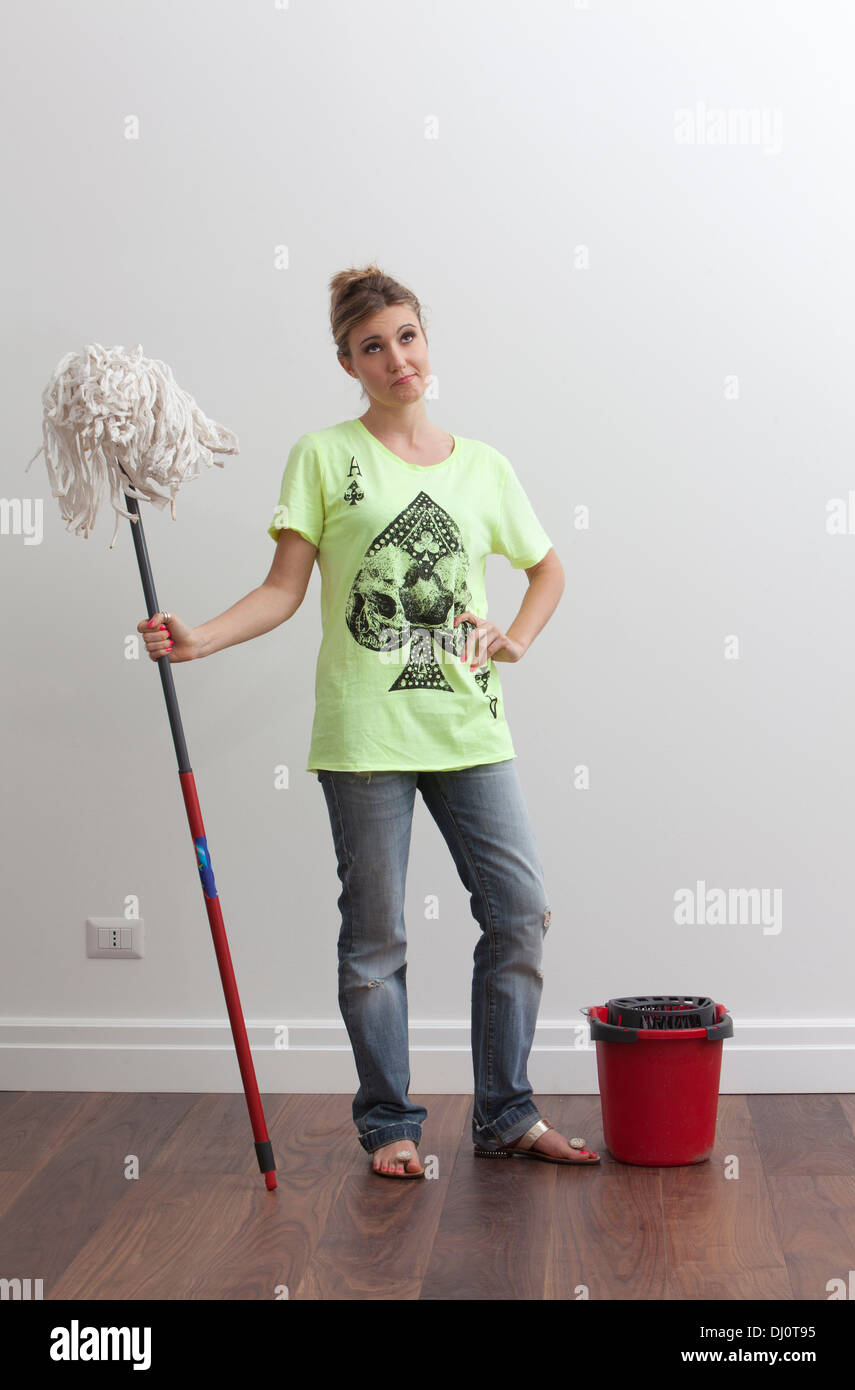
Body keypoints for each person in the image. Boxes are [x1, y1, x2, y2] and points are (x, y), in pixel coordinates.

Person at [137, 264, 600, 1178]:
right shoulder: (323, 457)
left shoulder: (484, 467)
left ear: (427, 339)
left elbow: (547, 568)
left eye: (408, 337)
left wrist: (515, 638)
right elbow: (282, 590)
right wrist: (199, 641)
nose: (398, 359)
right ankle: (390, 1124)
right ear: (349, 361)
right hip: (364, 736)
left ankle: (506, 1113)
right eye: (374, 347)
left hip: (470, 729)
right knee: (376, 936)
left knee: (518, 913)